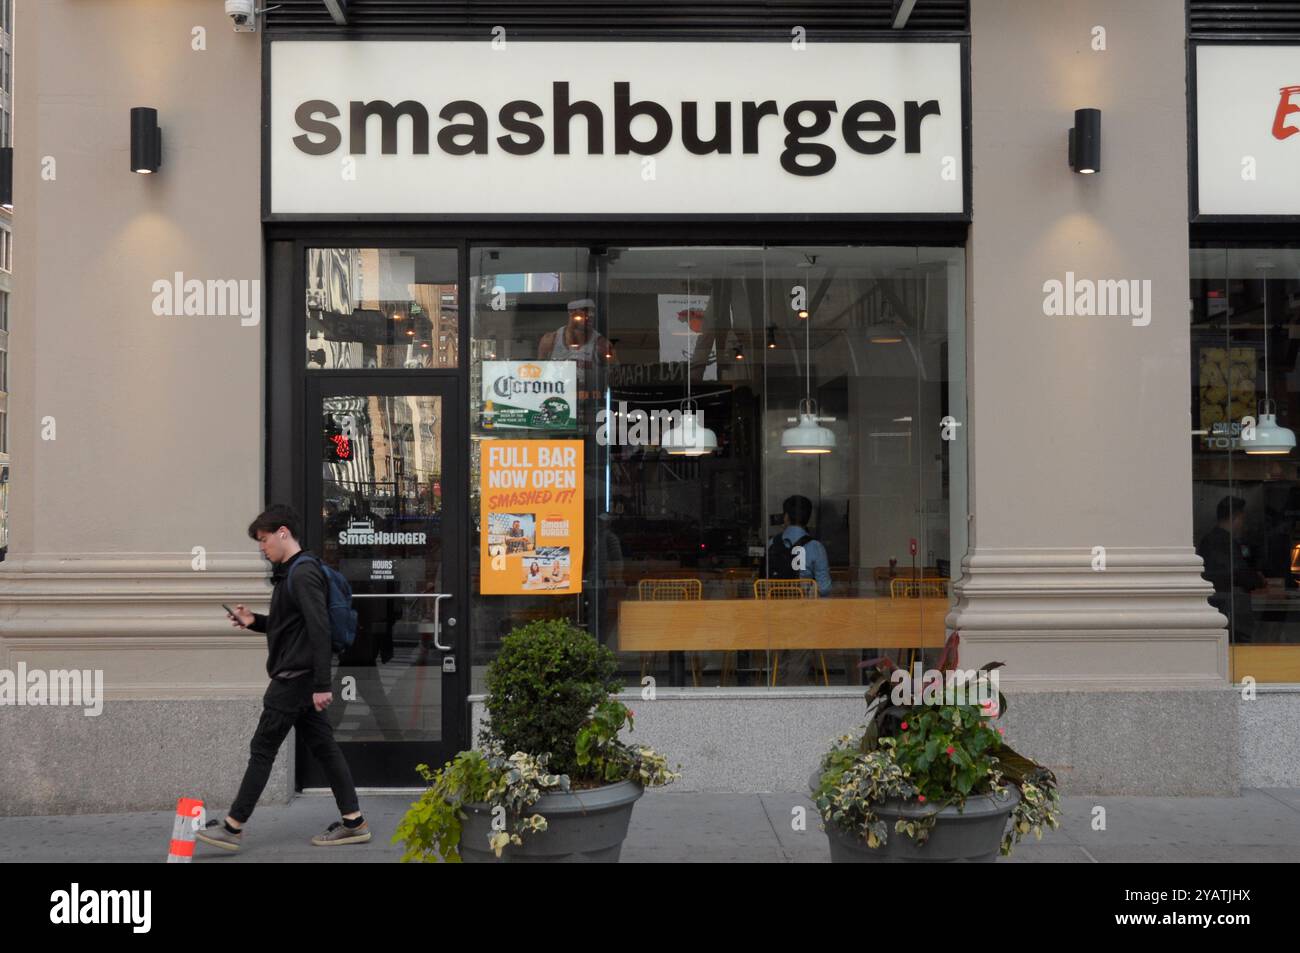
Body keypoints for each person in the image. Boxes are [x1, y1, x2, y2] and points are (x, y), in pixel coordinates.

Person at [196, 504, 370, 852]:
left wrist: (323, 685)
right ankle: (354, 822)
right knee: (324, 748)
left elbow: (319, 629)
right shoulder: (294, 571)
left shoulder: (302, 573)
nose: (262, 548)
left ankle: (232, 827)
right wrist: (255, 621)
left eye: (263, 540)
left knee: (262, 749)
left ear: (283, 533)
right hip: (302, 677)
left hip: (295, 680)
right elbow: (293, 626)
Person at [768, 495, 832, 685]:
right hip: (803, 616)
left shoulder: (773, 543)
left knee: (779, 650)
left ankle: (775, 685)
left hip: (776, 614)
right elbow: (825, 588)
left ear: (785, 517)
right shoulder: (815, 547)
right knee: (800, 647)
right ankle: (793, 689)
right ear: (808, 519)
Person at [1197, 495, 1267, 643]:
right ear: (1235, 518)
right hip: (1228, 609)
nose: (1242, 524)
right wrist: (1258, 580)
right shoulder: (1223, 542)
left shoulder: (1211, 539)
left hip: (1222, 607)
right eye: (1242, 519)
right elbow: (1237, 573)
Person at [537, 298, 616, 401]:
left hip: (587, 404)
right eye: (584, 311)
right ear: (572, 313)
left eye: (592, 312)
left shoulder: (602, 344)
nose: (590, 315)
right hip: (555, 400)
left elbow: (614, 378)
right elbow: (539, 374)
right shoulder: (550, 339)